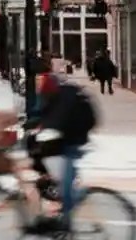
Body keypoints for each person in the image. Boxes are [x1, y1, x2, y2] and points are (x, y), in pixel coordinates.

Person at [29, 70, 97, 232]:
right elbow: (43, 117)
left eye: (40, 86)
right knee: (49, 167)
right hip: (67, 138)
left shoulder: (63, 98)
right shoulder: (54, 95)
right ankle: (60, 210)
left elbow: (55, 121)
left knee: (66, 187)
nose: (39, 89)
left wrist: (41, 130)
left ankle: (67, 219)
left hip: (74, 140)